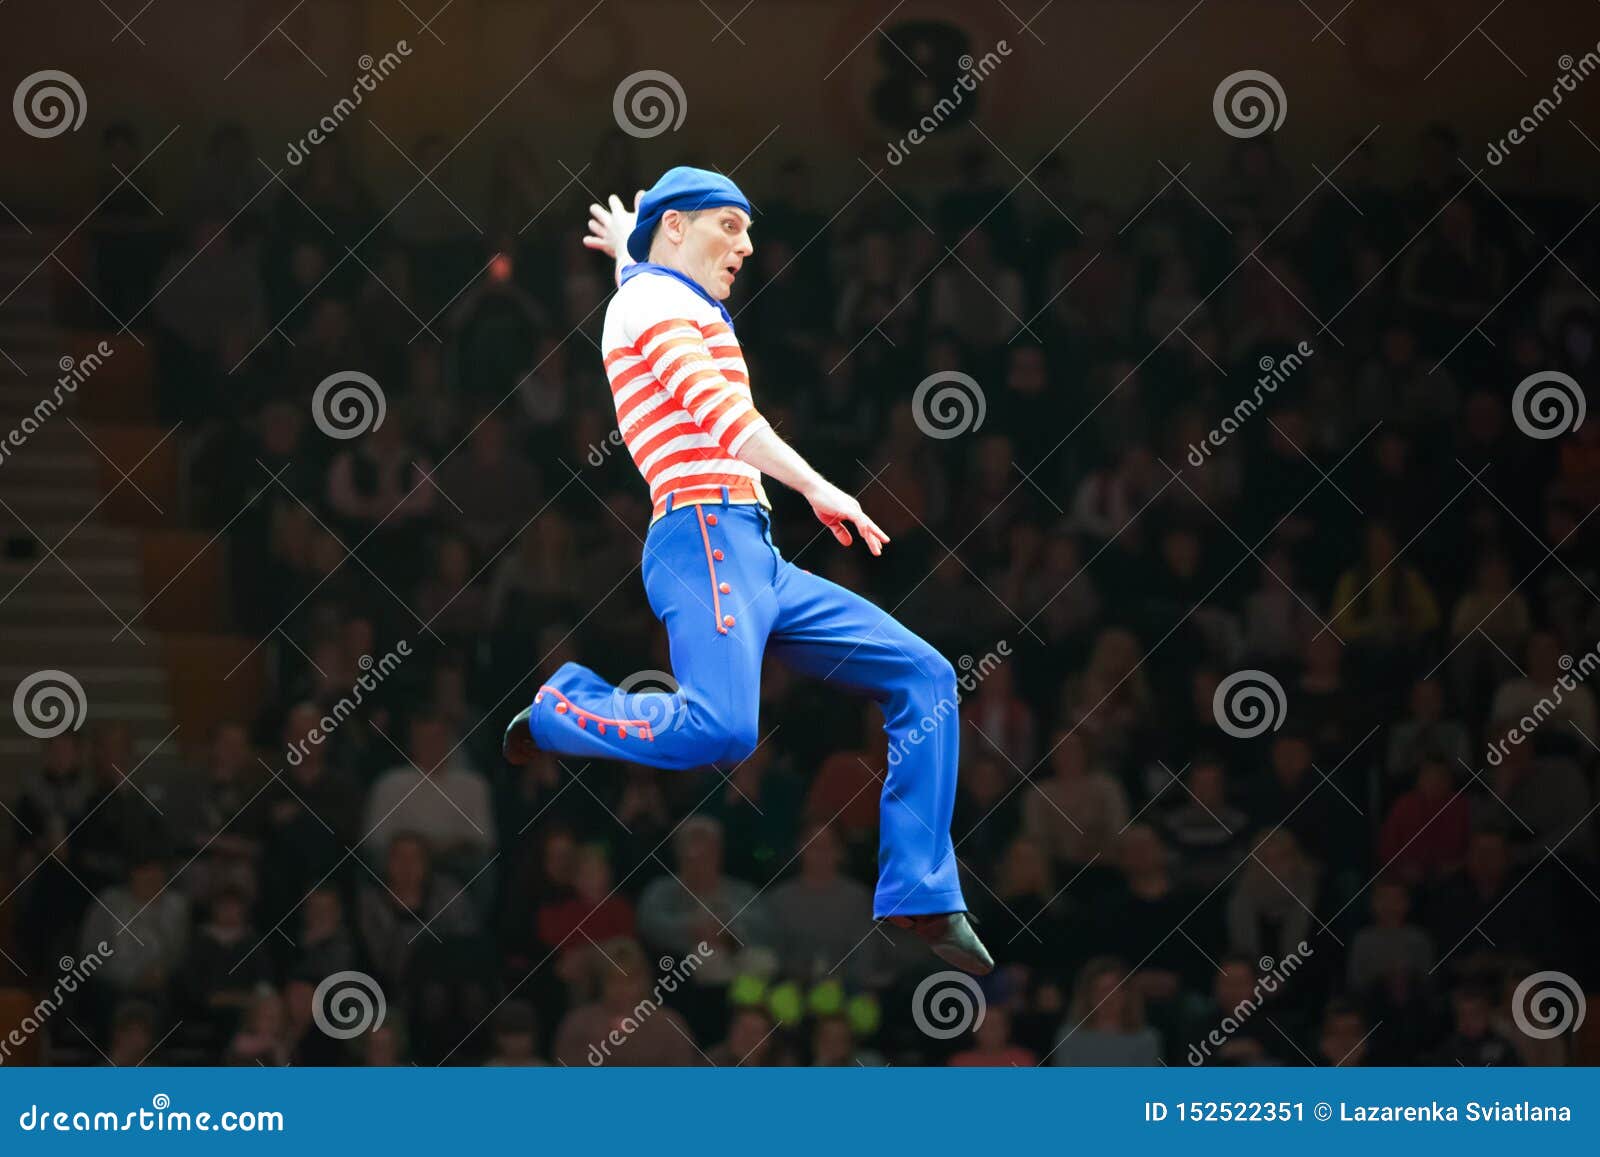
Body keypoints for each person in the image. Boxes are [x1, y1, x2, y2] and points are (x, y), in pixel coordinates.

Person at [502, 166, 989, 973]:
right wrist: (817, 483)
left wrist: (631, 244)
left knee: (925, 676)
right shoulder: (652, 305)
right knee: (724, 730)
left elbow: (649, 270)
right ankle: (563, 710)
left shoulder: (658, 290)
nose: (748, 244)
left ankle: (921, 895)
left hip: (752, 550)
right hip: (701, 539)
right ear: (678, 228)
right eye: (729, 224)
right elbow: (722, 416)